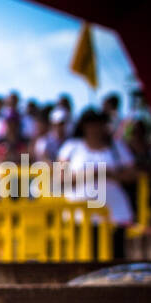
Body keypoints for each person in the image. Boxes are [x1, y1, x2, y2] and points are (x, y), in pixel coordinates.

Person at [56, 109, 137, 254]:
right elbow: (60, 178)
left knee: (115, 254)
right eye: (91, 124)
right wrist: (89, 174)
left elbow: (132, 174)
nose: (95, 129)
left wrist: (110, 174)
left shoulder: (116, 147)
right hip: (80, 216)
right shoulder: (72, 147)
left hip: (114, 213)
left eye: (99, 124)